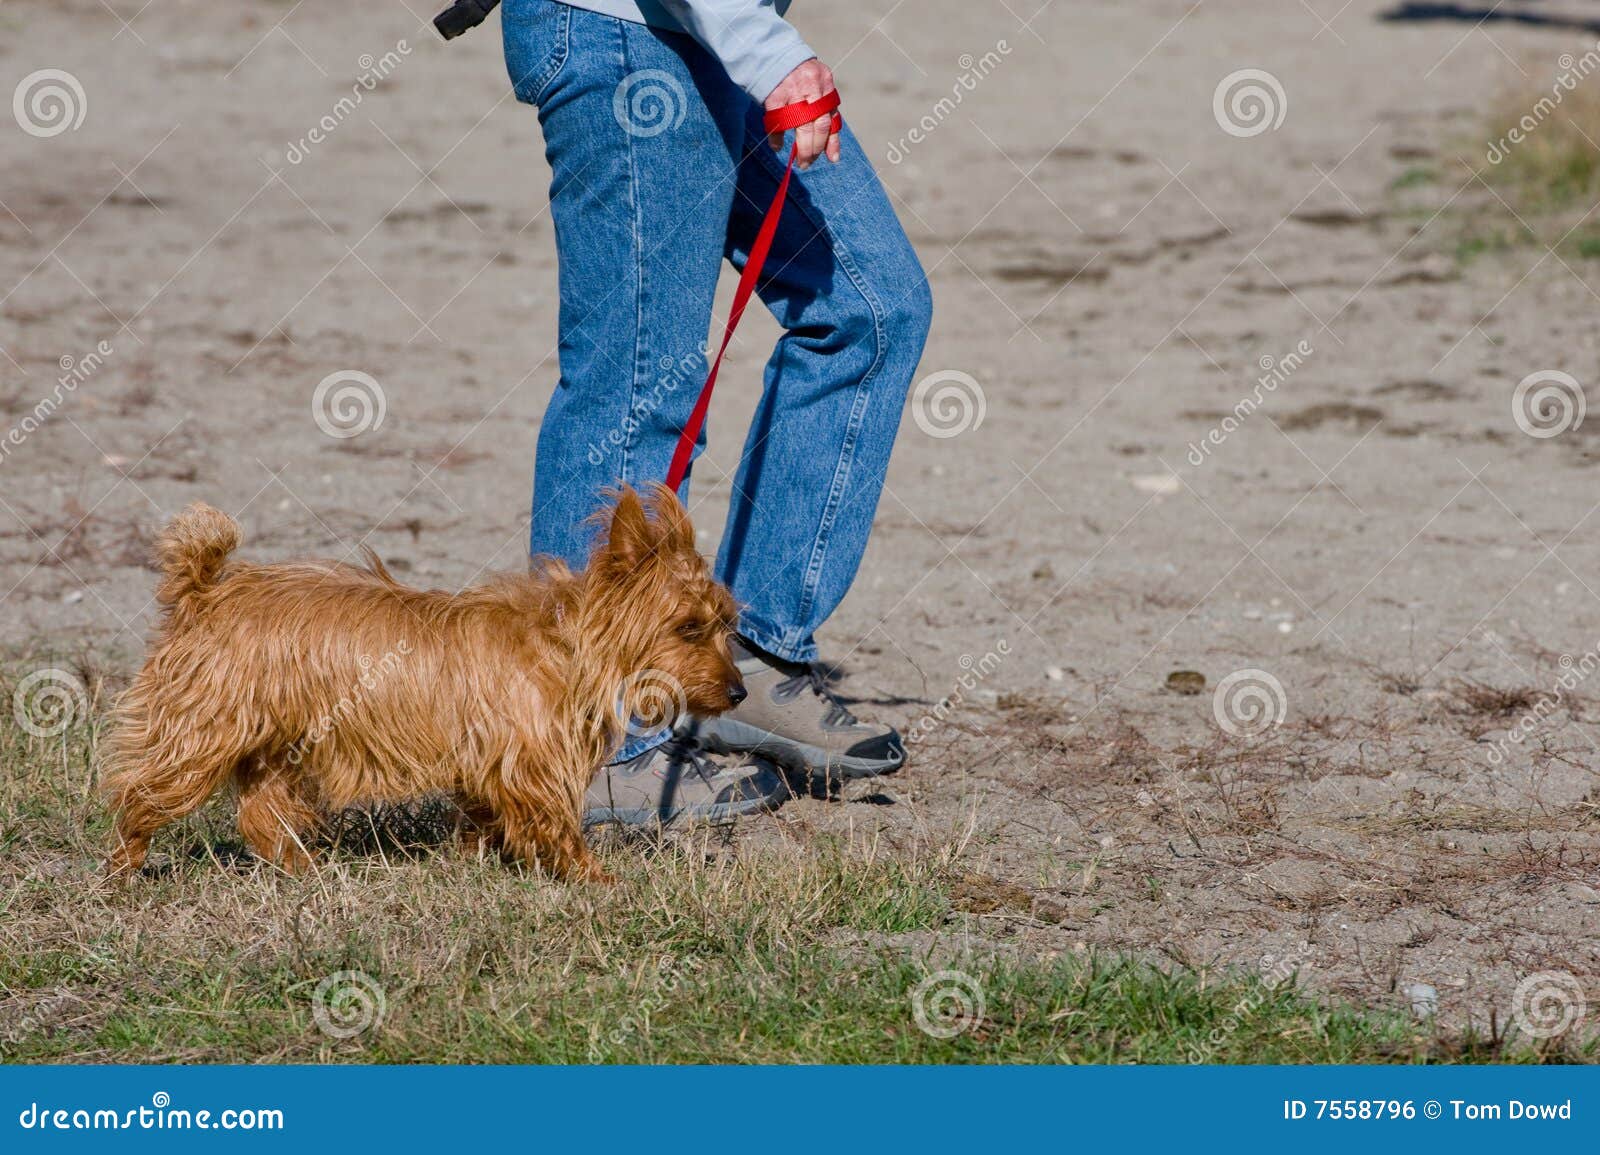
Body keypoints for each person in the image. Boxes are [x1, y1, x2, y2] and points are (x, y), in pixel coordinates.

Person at [502, 0, 933, 825]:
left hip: (711, 32)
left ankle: (743, 656)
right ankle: (587, 743)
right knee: (634, 385)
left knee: (873, 312)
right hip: (626, 34)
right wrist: (767, 51)